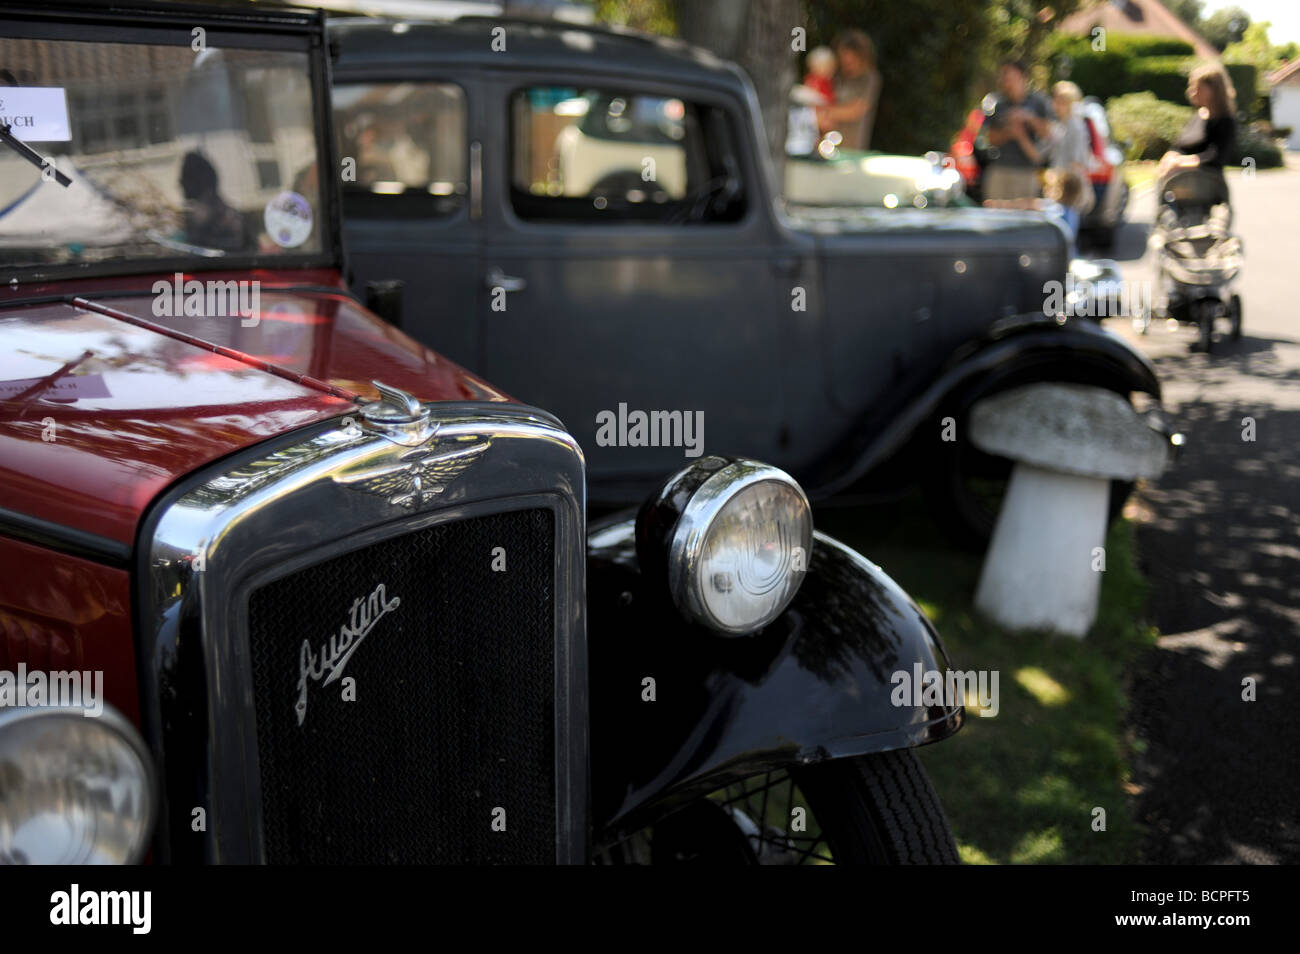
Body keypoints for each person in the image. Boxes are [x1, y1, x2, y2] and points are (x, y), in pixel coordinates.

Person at [982, 60, 1052, 201]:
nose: (1005, 80)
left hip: (1027, 171)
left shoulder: (1038, 102)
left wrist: (1028, 118)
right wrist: (1009, 131)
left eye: (1010, 76)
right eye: (1003, 76)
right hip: (1000, 169)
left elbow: (1048, 132)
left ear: (1023, 77)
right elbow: (989, 139)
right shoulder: (996, 102)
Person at [1159, 62, 1237, 180]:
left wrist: (1180, 164)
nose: (1192, 93)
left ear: (1214, 91)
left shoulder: (1225, 122)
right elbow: (1180, 145)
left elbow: (1216, 158)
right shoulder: (1198, 117)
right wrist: (1171, 156)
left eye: (1198, 88)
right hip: (1180, 181)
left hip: (1207, 183)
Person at [817, 30, 881, 150]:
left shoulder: (869, 79)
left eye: (851, 59)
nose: (846, 62)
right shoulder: (835, 76)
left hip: (852, 145)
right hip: (827, 144)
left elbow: (856, 110)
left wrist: (825, 113)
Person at [1045, 81, 1094, 216]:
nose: (1056, 105)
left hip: (1069, 188)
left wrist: (1065, 190)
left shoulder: (1075, 126)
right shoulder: (1061, 125)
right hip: (1059, 185)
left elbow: (1076, 162)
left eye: (1061, 101)